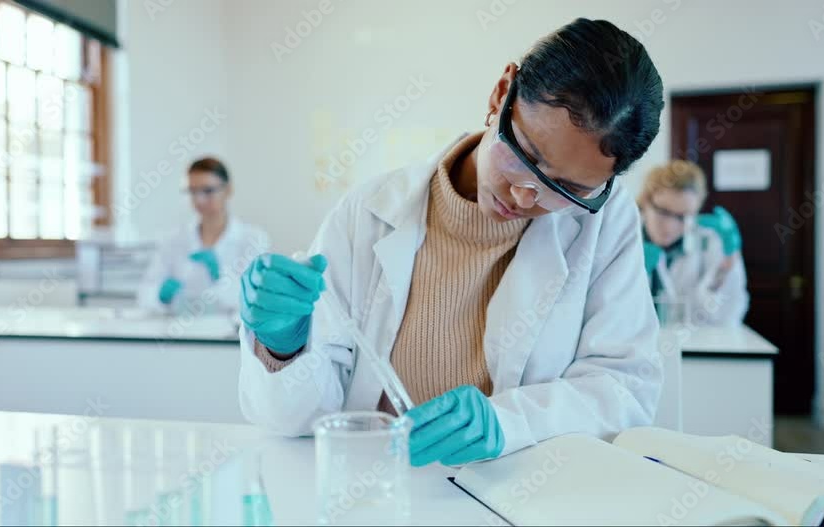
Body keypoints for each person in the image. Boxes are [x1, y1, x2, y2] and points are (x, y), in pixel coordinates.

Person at [239, 18, 665, 467]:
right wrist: (282, 347)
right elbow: (300, 421)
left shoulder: (606, 223)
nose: (525, 196)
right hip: (383, 486)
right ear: (502, 93)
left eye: (569, 190)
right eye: (527, 155)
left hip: (516, 495)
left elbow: (624, 391)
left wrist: (509, 424)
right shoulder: (367, 212)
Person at [137, 157, 270, 315]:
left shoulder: (253, 239)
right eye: (192, 191)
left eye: (207, 191)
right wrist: (160, 295)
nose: (199, 199)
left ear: (228, 190)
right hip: (180, 331)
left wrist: (220, 277)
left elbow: (256, 298)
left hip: (228, 335)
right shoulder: (173, 239)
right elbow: (144, 293)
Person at [638, 160, 749, 326]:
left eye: (682, 216)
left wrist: (728, 263)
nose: (670, 226)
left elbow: (728, 317)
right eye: (663, 212)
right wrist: (634, 274)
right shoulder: (622, 238)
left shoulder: (709, 242)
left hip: (691, 346)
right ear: (645, 202)